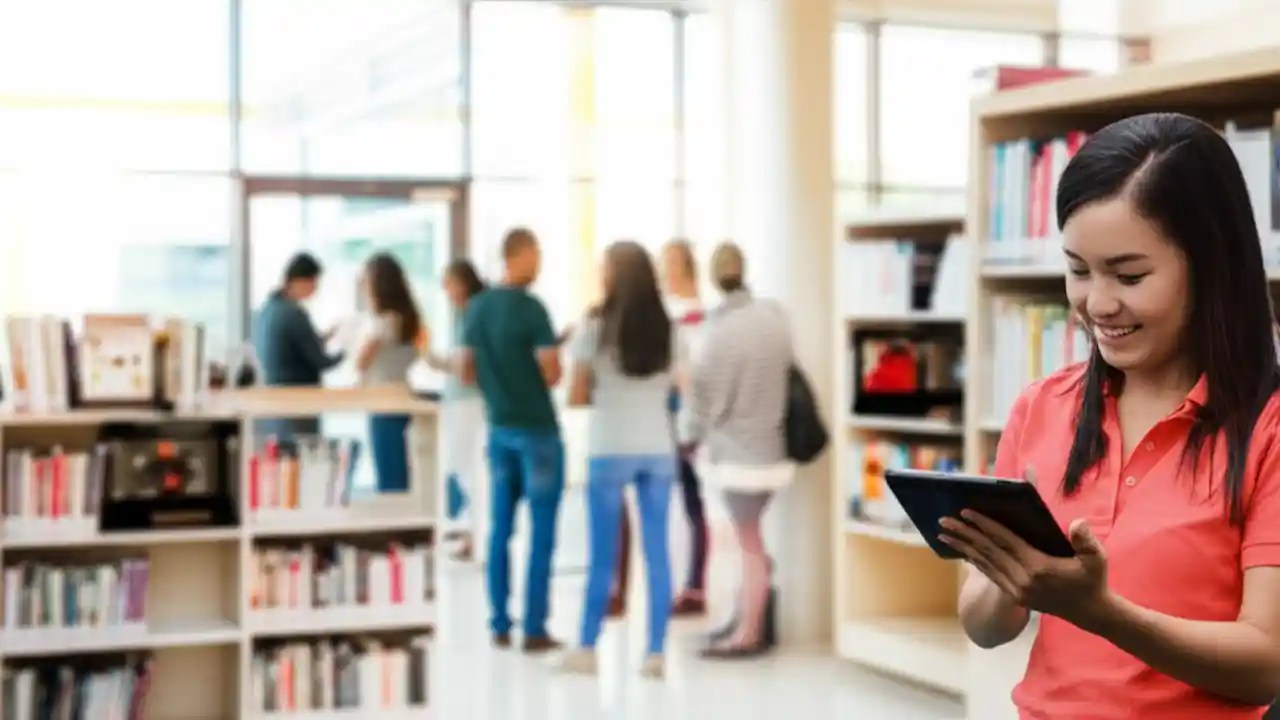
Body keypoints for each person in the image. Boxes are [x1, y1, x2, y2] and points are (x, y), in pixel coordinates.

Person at [942, 113, 1280, 719]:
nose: (1097, 303)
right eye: (1078, 270)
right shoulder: (1042, 408)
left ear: (1210, 267)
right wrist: (1005, 574)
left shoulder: (1268, 430)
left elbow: (1266, 665)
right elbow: (986, 628)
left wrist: (1102, 613)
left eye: (1129, 275)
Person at [560, 240, 678, 679]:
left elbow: (575, 395)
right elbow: (675, 388)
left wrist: (599, 390)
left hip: (609, 446)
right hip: (657, 447)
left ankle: (587, 649)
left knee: (602, 555)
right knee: (658, 552)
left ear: (613, 276)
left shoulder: (593, 326)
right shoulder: (670, 329)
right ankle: (655, 654)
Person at [681, 241, 794, 658]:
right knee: (752, 538)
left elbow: (704, 398)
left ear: (714, 276)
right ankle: (742, 616)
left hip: (739, 458)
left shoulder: (718, 331)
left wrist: (686, 435)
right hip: (775, 449)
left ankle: (747, 633)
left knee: (748, 543)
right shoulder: (774, 318)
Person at [459, 227, 565, 653]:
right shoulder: (533, 309)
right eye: (535, 254)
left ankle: (499, 622)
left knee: (500, 529)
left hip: (499, 430)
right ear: (516, 256)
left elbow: (466, 370)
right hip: (538, 431)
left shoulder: (476, 308)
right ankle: (535, 628)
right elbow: (553, 373)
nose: (539, 263)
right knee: (541, 533)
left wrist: (498, 387)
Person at [428, 259, 490, 562]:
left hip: (468, 401)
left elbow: (467, 371)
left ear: (462, 283)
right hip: (461, 401)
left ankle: (474, 535)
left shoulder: (472, 315)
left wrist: (438, 362)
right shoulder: (462, 315)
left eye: (448, 283)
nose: (445, 290)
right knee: (464, 469)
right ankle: (470, 535)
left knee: (466, 469)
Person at [662, 238, 711, 616]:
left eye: (673, 261)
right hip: (668, 411)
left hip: (692, 413)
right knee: (677, 503)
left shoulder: (700, 313)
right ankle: (684, 582)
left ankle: (695, 585)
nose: (668, 269)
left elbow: (695, 370)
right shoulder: (665, 310)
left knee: (694, 504)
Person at [252, 252, 344, 439]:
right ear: (300, 280)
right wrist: (347, 351)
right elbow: (321, 361)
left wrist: (322, 338)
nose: (316, 289)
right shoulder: (294, 314)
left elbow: (292, 347)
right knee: (301, 461)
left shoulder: (267, 310)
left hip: (273, 406)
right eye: (314, 282)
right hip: (298, 405)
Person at [353, 253, 423, 494]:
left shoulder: (383, 322)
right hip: (402, 398)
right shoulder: (407, 319)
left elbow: (360, 362)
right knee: (399, 473)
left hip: (382, 404)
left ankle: (395, 530)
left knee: (389, 477)